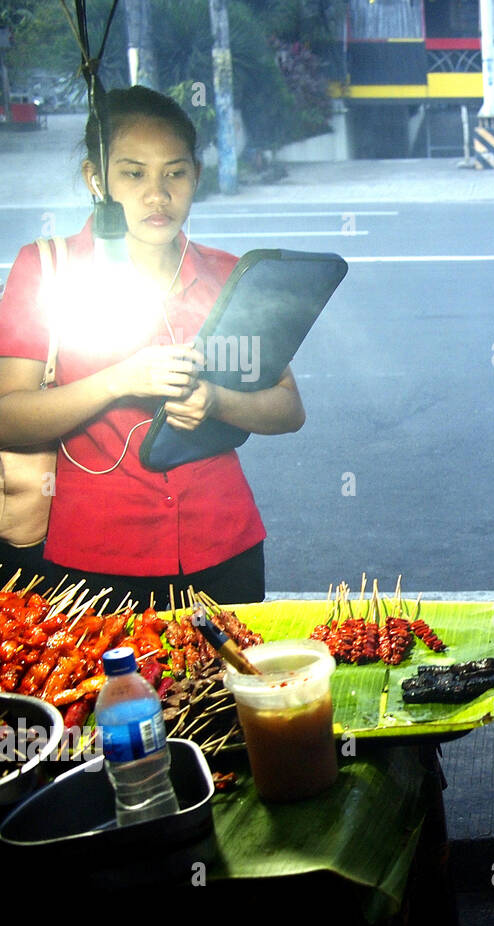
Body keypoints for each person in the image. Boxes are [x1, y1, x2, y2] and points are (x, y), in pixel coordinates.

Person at [0, 85, 305, 606]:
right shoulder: (47, 269)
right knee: (117, 691)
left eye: (175, 172)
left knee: (228, 689)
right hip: (93, 555)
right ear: (96, 179)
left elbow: (289, 407)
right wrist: (120, 380)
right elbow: (9, 415)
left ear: (196, 177)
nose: (157, 194)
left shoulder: (227, 276)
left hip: (223, 545)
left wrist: (218, 401)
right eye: (133, 172)